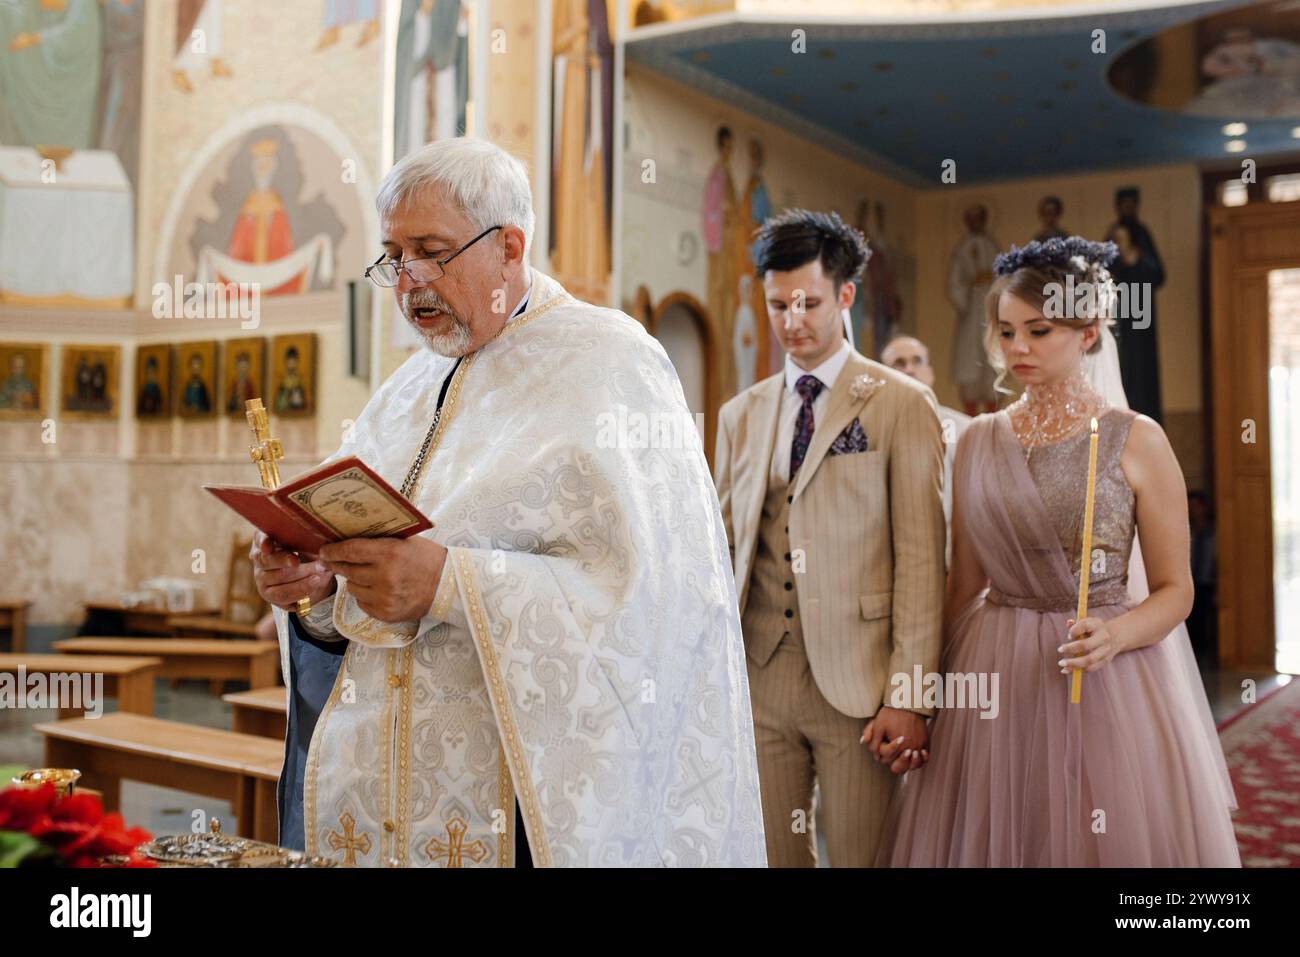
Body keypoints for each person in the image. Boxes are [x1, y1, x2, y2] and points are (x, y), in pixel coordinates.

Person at [252, 136, 765, 867]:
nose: (409, 281)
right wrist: (313, 591)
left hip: (526, 811)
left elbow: (658, 606)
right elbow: (353, 592)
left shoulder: (613, 362)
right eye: (394, 257)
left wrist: (450, 583)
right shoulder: (403, 391)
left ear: (510, 247)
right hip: (384, 805)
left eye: (431, 249)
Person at [879, 237, 1239, 866]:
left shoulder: (1138, 439)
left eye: (1039, 330)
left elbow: (1176, 590)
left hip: (1105, 668)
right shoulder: (978, 439)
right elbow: (963, 581)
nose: (1017, 348)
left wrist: (1117, 636)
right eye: (1007, 331)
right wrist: (918, 692)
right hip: (992, 671)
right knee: (999, 832)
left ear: (1090, 331)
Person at [714, 208, 946, 867]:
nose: (793, 320)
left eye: (809, 302)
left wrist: (909, 694)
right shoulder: (741, 414)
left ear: (845, 296)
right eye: (778, 303)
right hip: (760, 678)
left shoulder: (900, 402)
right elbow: (723, 548)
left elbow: (925, 562)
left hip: (860, 683)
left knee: (862, 857)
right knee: (772, 857)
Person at [880, 335, 970, 568]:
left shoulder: (966, 429)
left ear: (930, 371)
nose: (909, 369)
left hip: (954, 560)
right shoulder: (871, 431)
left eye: (917, 361)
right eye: (899, 363)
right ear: (882, 374)